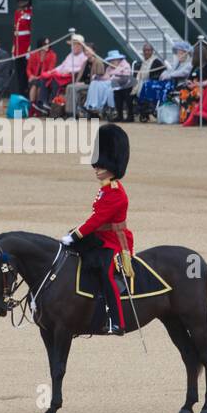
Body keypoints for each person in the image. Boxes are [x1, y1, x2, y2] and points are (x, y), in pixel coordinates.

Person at [60, 123, 133, 337]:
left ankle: (117, 321)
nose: (96, 168)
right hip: (101, 236)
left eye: (100, 166)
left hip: (113, 241)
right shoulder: (105, 190)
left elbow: (98, 219)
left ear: (112, 166)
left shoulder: (115, 192)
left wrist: (76, 235)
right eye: (96, 165)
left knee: (105, 271)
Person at [11, 0, 33, 93]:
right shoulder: (18, 13)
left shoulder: (31, 12)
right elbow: (16, 31)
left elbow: (31, 31)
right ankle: (20, 107)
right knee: (19, 76)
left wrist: (30, 48)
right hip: (18, 49)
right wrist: (14, 47)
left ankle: (26, 103)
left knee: (26, 76)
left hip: (26, 48)